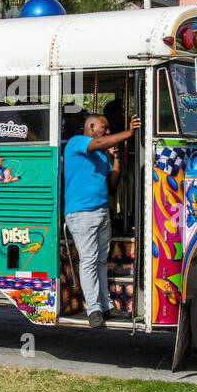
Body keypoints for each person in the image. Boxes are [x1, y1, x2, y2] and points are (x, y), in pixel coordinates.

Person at [64, 112, 140, 327]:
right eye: (104, 128)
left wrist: (116, 160)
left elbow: (112, 185)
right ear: (91, 127)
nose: (107, 132)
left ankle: (105, 306)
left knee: (100, 261)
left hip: (101, 211)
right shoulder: (77, 142)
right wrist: (128, 133)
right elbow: (98, 142)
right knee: (89, 260)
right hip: (82, 212)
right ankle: (94, 309)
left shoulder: (100, 155)